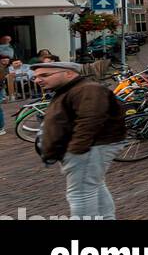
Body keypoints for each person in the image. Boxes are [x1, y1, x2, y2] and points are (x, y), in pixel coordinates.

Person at [32, 61, 128, 219]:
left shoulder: (87, 89)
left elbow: (90, 120)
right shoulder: (69, 89)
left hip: (90, 148)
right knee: (94, 187)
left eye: (44, 75)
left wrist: (76, 150)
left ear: (69, 73)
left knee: (80, 195)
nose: (38, 80)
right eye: (35, 77)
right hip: (87, 149)